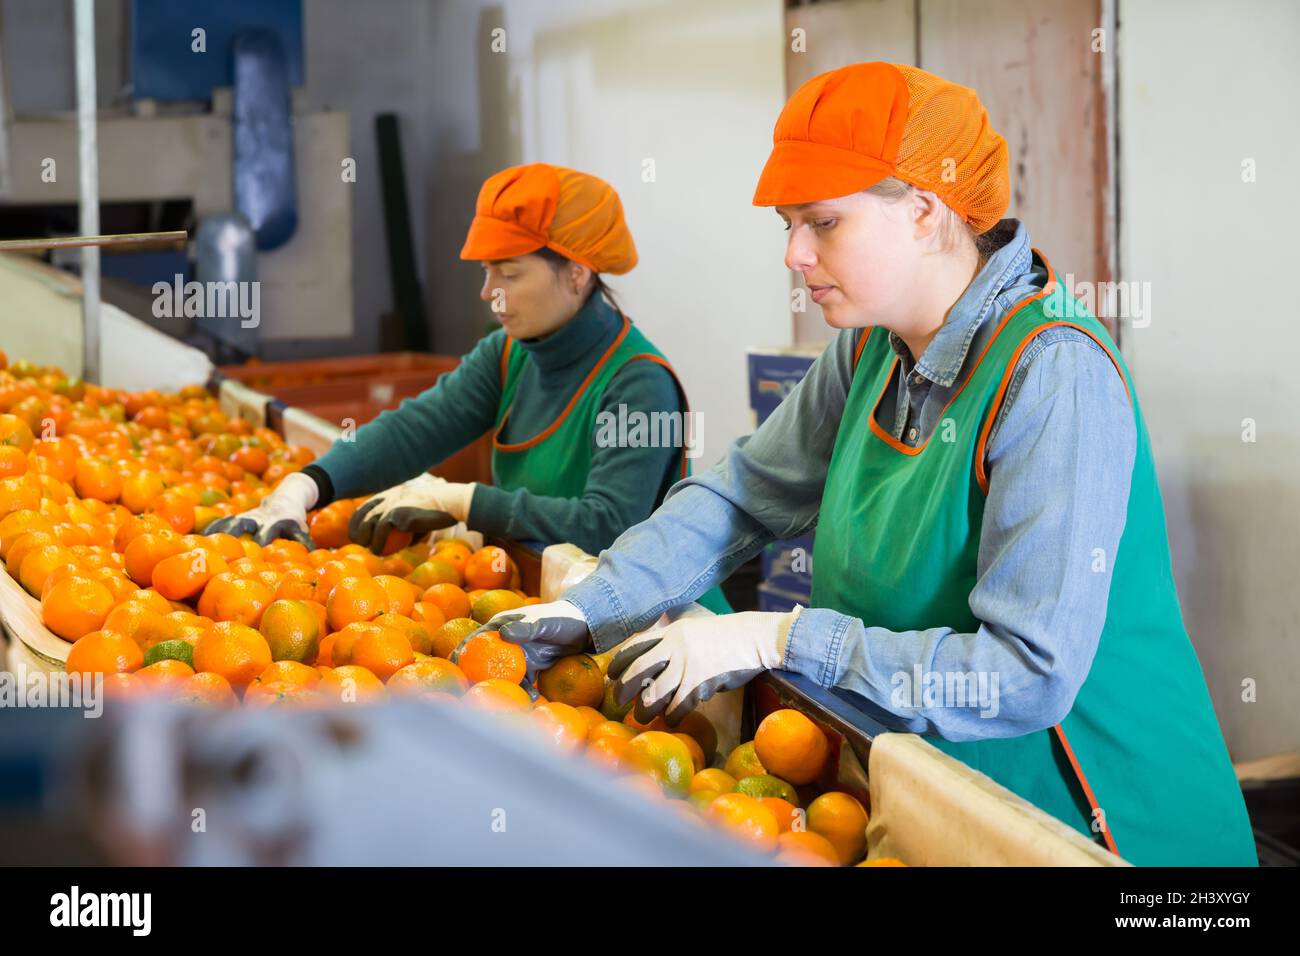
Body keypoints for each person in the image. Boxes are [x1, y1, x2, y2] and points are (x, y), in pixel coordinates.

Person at [485, 64, 1256, 866]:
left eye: (823, 224)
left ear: (925, 210)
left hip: (1093, 820)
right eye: (788, 224)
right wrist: (594, 603)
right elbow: (743, 493)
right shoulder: (871, 348)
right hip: (937, 794)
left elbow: (1024, 676)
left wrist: (782, 638)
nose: (794, 253)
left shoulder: (1054, 375)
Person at [209, 163, 728, 613]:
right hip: (557, 605)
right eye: (486, 273)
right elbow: (415, 429)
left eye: (509, 274)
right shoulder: (509, 353)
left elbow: (607, 527)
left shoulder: (639, 383)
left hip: (667, 626)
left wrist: (462, 500)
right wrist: (305, 487)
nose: (489, 294)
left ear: (576, 273)